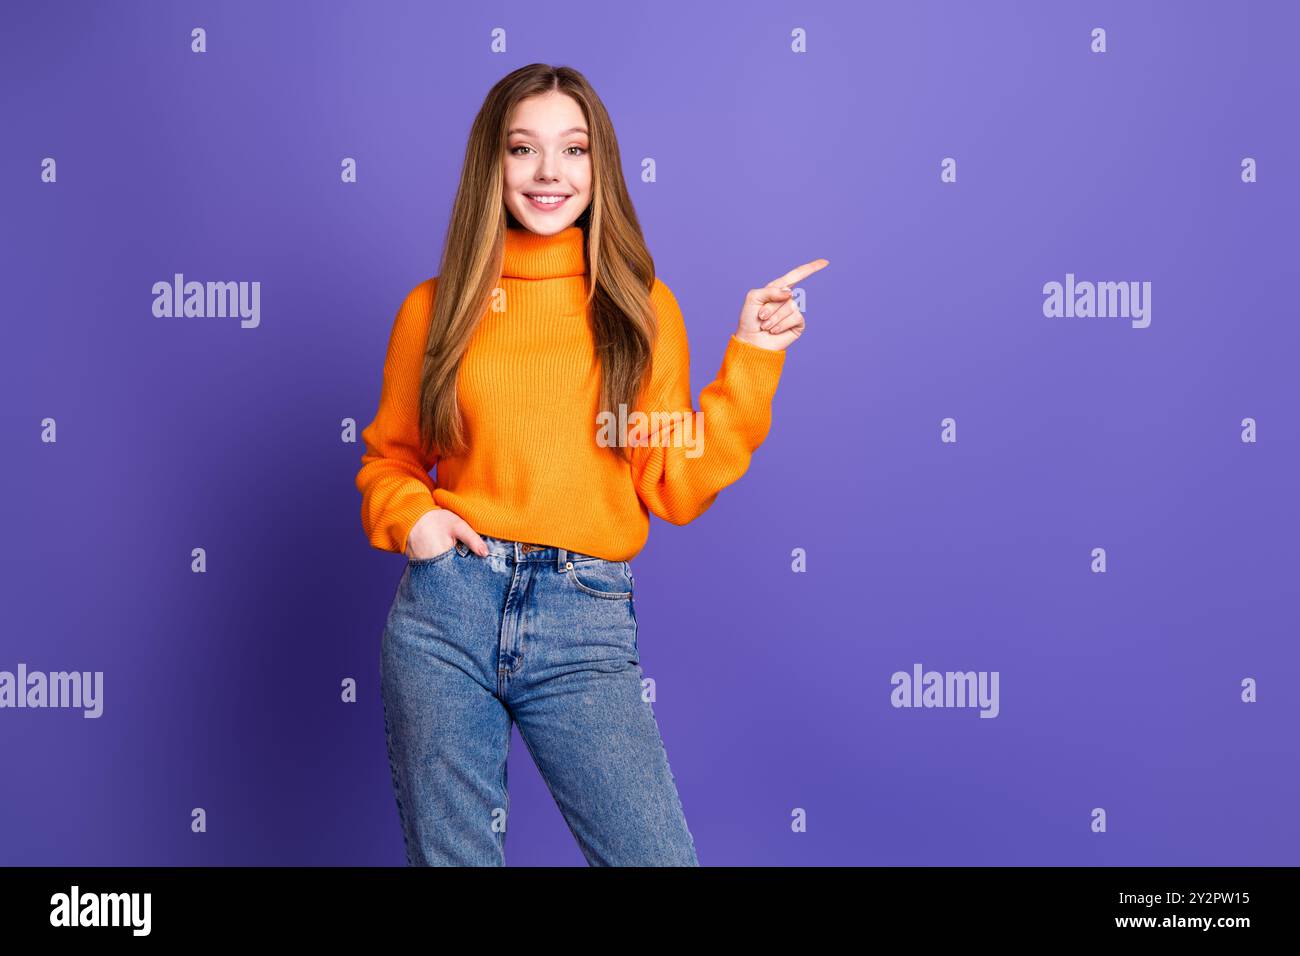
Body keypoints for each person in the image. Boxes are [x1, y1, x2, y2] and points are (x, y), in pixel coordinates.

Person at [356, 63, 827, 866]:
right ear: (490, 166)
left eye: (573, 150)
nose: (549, 173)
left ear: (599, 165)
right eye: (523, 149)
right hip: (447, 612)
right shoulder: (433, 309)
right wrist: (418, 522)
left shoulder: (641, 308)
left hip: (582, 621)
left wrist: (752, 356)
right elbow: (390, 459)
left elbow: (674, 480)